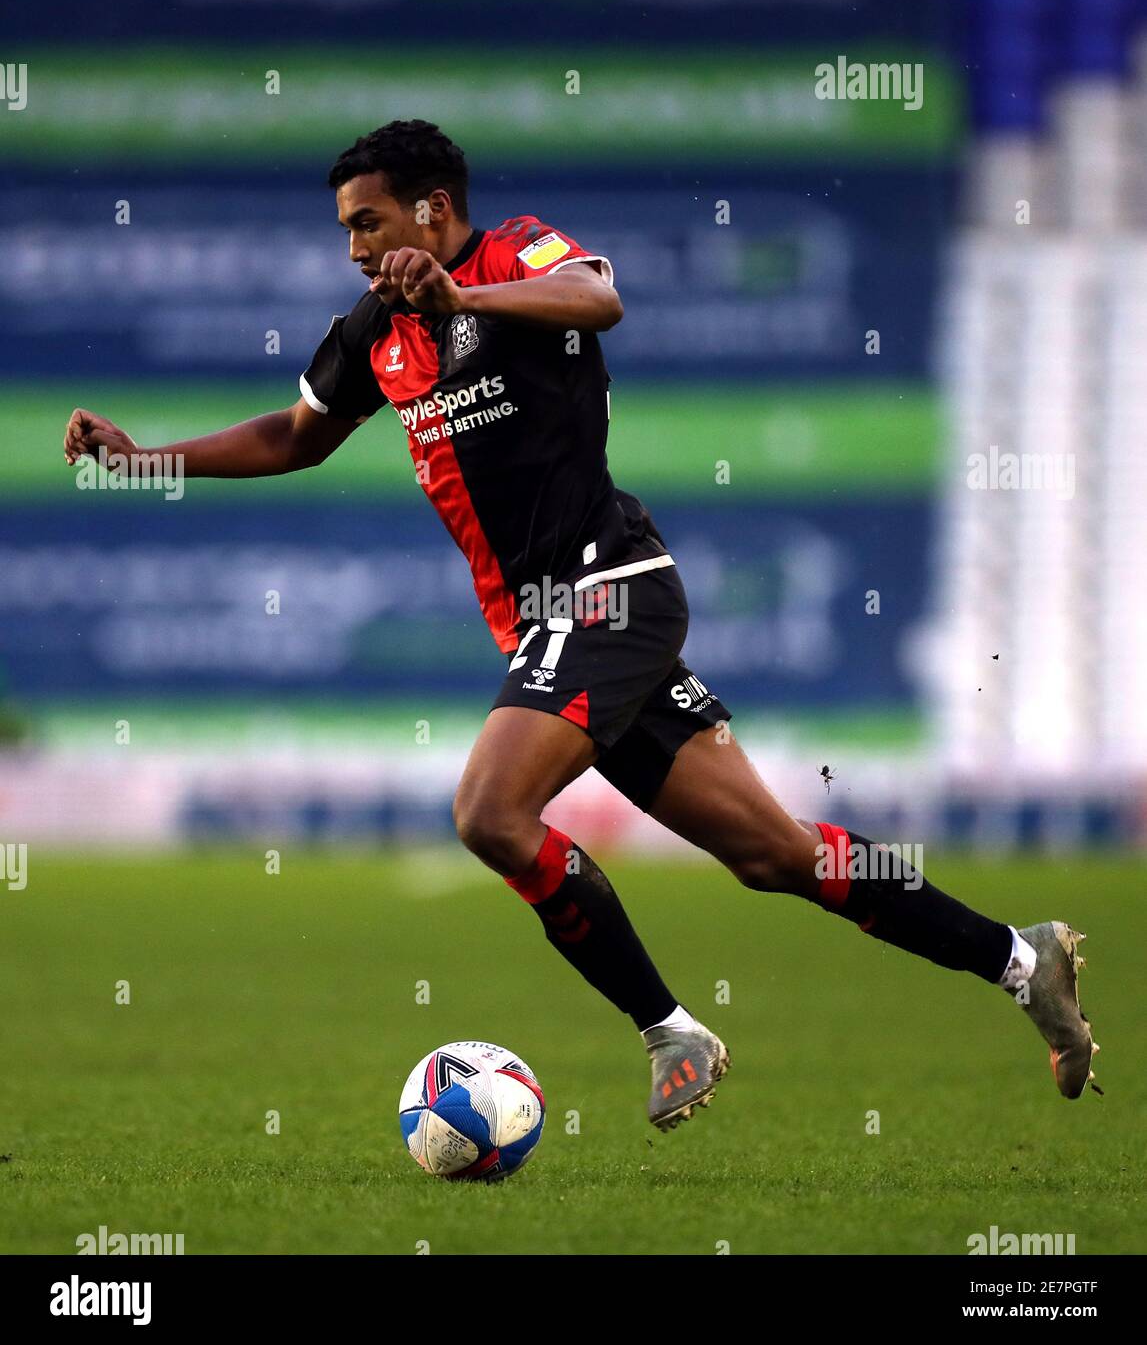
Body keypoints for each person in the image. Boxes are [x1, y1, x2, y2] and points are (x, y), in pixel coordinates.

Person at [63, 120, 1100, 1130]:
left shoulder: (516, 253)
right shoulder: (374, 331)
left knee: (487, 812)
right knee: (775, 854)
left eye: (369, 223)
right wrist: (145, 458)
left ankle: (670, 1032)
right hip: (544, 621)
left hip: (607, 584)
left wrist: (465, 291)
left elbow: (598, 297)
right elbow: (295, 435)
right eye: (346, 229)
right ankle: (1019, 956)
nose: (355, 247)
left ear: (434, 210)